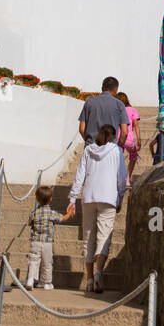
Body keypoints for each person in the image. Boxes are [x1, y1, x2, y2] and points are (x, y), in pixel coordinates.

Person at [66, 124, 126, 293]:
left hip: (89, 197)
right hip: (108, 197)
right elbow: (122, 177)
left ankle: (90, 279)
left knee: (88, 237)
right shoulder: (116, 151)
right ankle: (99, 271)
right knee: (104, 235)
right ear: (113, 136)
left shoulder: (88, 150)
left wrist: (72, 198)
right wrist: (120, 197)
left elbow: (80, 174)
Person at [25, 185, 74, 290]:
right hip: (47, 243)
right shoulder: (51, 213)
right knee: (47, 262)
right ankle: (46, 283)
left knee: (34, 261)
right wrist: (69, 213)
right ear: (51, 199)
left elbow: (29, 223)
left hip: (35, 242)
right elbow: (62, 218)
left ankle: (30, 279)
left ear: (37, 199)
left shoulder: (34, 213)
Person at [78, 77, 128, 147]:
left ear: (102, 88)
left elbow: (81, 129)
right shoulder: (119, 104)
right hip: (110, 149)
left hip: (91, 148)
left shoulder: (89, 102)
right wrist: (118, 148)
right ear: (116, 89)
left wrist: (89, 142)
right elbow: (125, 132)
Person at [117, 92, 140, 188]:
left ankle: (118, 179)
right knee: (133, 156)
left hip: (118, 138)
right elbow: (136, 125)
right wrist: (139, 139)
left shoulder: (117, 110)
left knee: (118, 158)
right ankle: (127, 179)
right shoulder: (132, 110)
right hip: (129, 138)